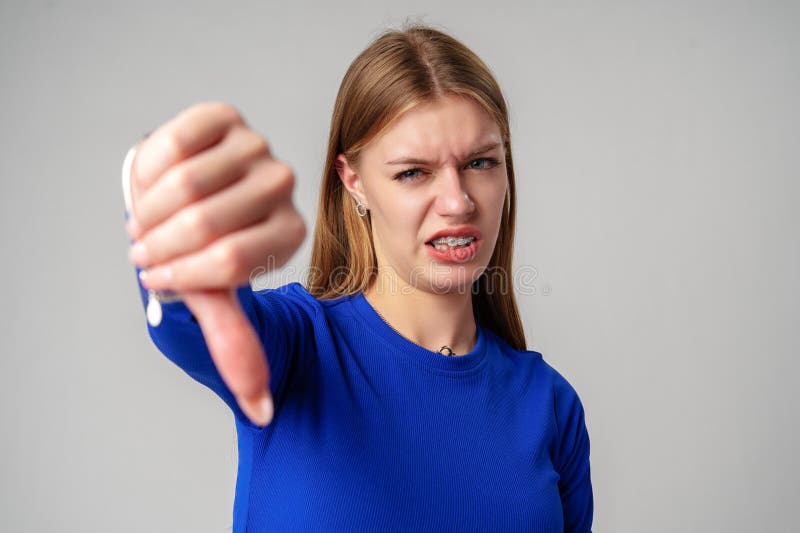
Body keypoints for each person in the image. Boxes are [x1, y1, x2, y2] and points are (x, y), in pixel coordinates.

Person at [123, 25, 593, 532]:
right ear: (354, 183)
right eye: (413, 172)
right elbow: (189, 319)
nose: (458, 202)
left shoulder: (549, 404)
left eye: (480, 162)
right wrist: (163, 187)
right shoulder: (296, 349)